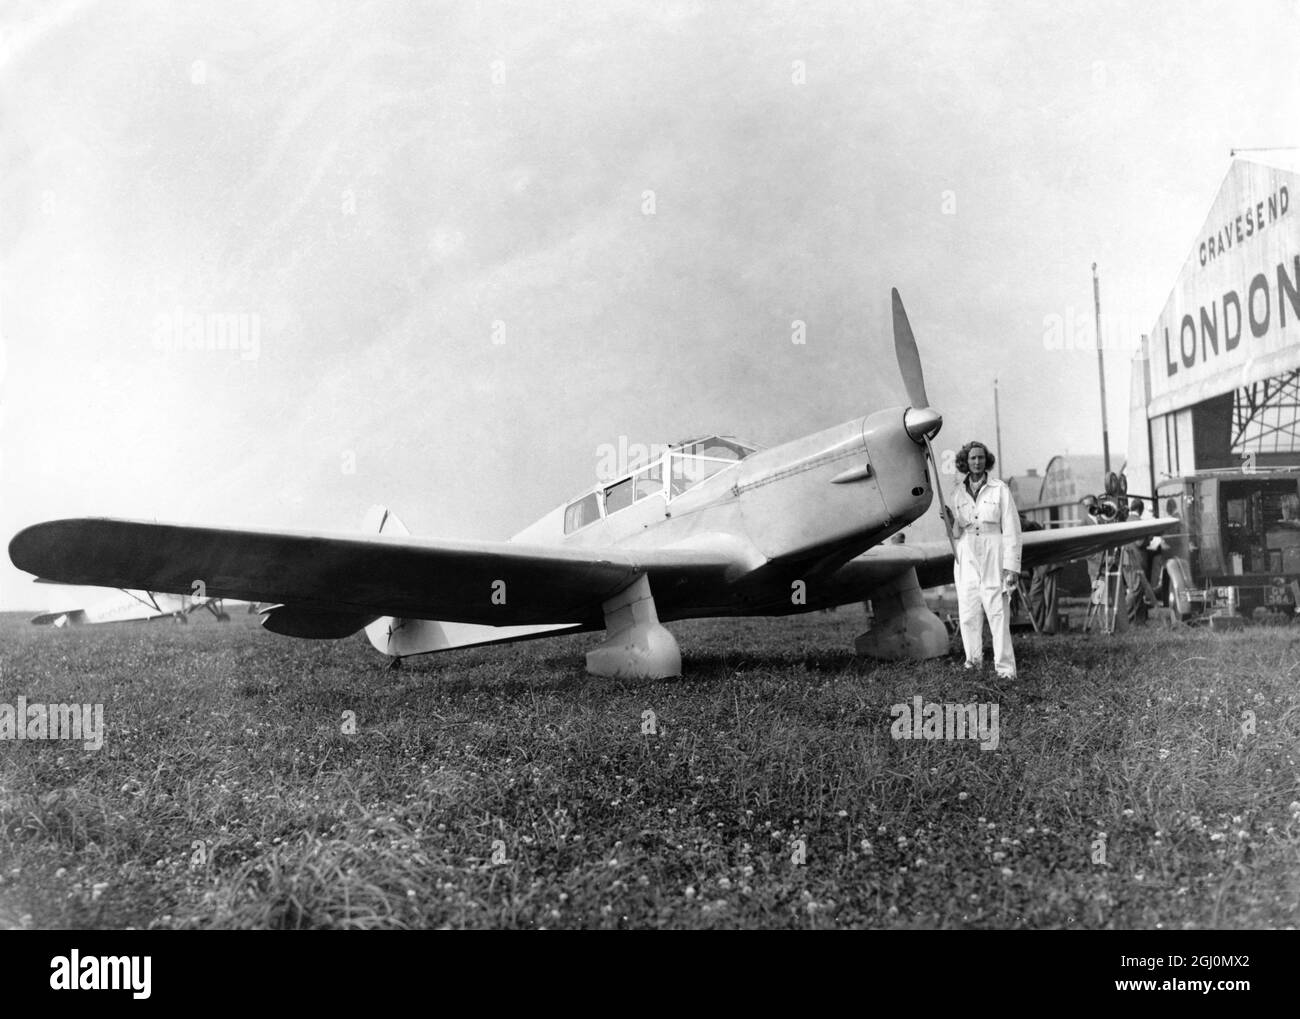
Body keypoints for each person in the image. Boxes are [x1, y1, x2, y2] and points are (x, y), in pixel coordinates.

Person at [942, 440, 1022, 680]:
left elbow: (1012, 529)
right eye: (972, 458)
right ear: (965, 462)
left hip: (993, 551)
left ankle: (1005, 670)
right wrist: (947, 518)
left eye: (980, 457)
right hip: (966, 554)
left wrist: (1012, 566)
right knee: (967, 613)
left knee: (997, 613)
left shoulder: (1000, 489)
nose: (977, 462)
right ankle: (973, 664)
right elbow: (957, 532)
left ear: (986, 460)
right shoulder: (958, 493)